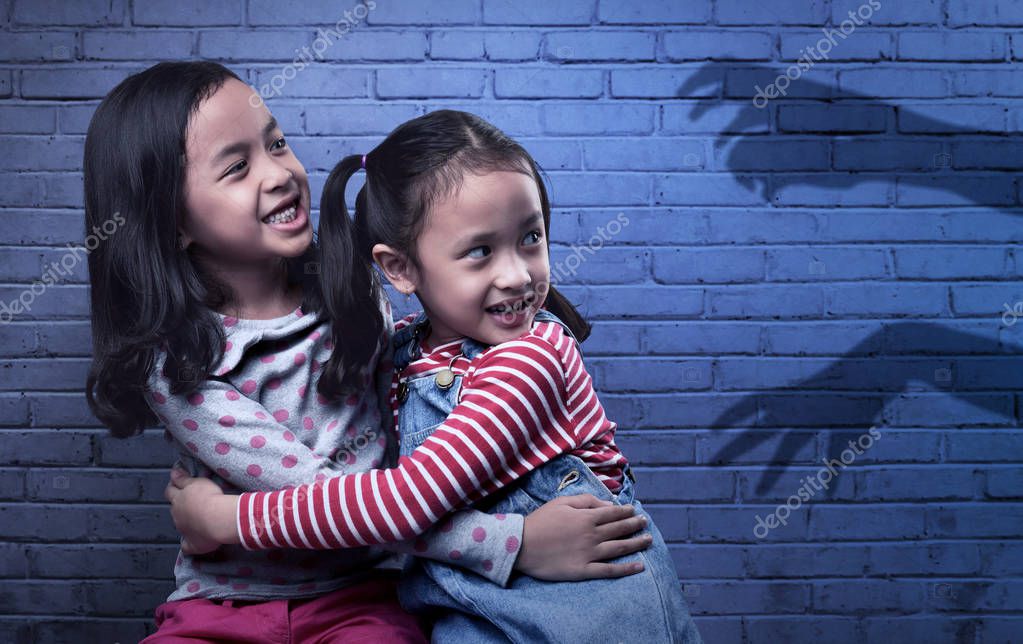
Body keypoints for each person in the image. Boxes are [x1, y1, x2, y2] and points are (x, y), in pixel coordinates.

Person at [84, 63, 655, 642]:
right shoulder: (180, 362)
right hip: (226, 601)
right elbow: (322, 494)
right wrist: (508, 544)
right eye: (237, 167)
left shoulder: (353, 292)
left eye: (276, 144)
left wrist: (219, 519)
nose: (280, 173)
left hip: (363, 594)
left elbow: (391, 494)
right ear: (171, 220)